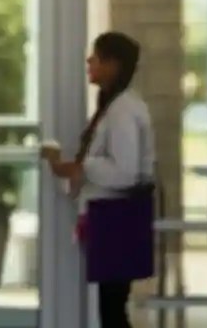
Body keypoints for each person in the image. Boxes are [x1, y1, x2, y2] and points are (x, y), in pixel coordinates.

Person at [42, 32, 155, 328]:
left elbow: (125, 172)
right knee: (111, 306)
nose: (89, 61)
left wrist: (80, 167)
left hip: (117, 219)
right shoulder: (114, 107)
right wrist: (73, 168)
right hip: (112, 218)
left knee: (113, 309)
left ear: (113, 65)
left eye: (97, 57)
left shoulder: (123, 110)